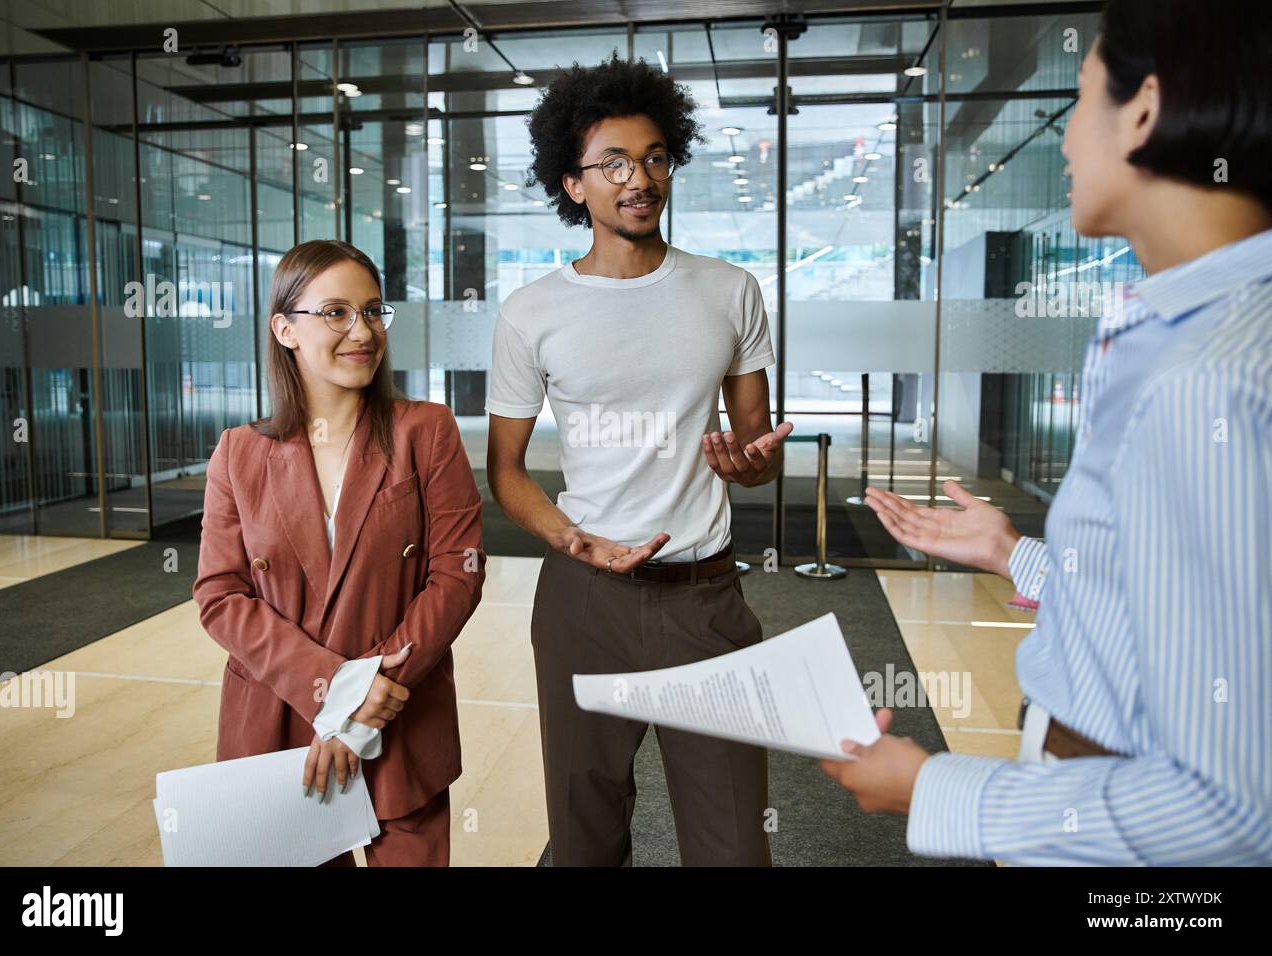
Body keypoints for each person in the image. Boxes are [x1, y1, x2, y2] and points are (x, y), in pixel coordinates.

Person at [822, 0, 1272, 865]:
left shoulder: (1208, 379)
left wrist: (934, 791)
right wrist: (1015, 556)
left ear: (1142, 110)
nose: (1065, 141)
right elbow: (1186, 621)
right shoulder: (1193, 333)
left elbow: (1229, 808)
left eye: (1079, 101)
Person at [486, 51, 792, 866]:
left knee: (734, 846)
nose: (640, 177)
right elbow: (506, 472)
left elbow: (756, 445)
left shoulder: (731, 292)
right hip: (585, 602)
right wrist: (572, 539)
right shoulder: (532, 314)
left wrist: (752, 465)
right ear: (571, 183)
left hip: (705, 596)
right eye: (613, 162)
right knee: (585, 841)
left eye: (655, 157)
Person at [193, 239, 485, 866]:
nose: (363, 330)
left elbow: (456, 577)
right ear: (285, 330)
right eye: (336, 313)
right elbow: (220, 596)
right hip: (279, 729)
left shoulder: (426, 432)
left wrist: (359, 714)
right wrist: (333, 692)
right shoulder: (238, 453)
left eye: (374, 311)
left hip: (399, 724)